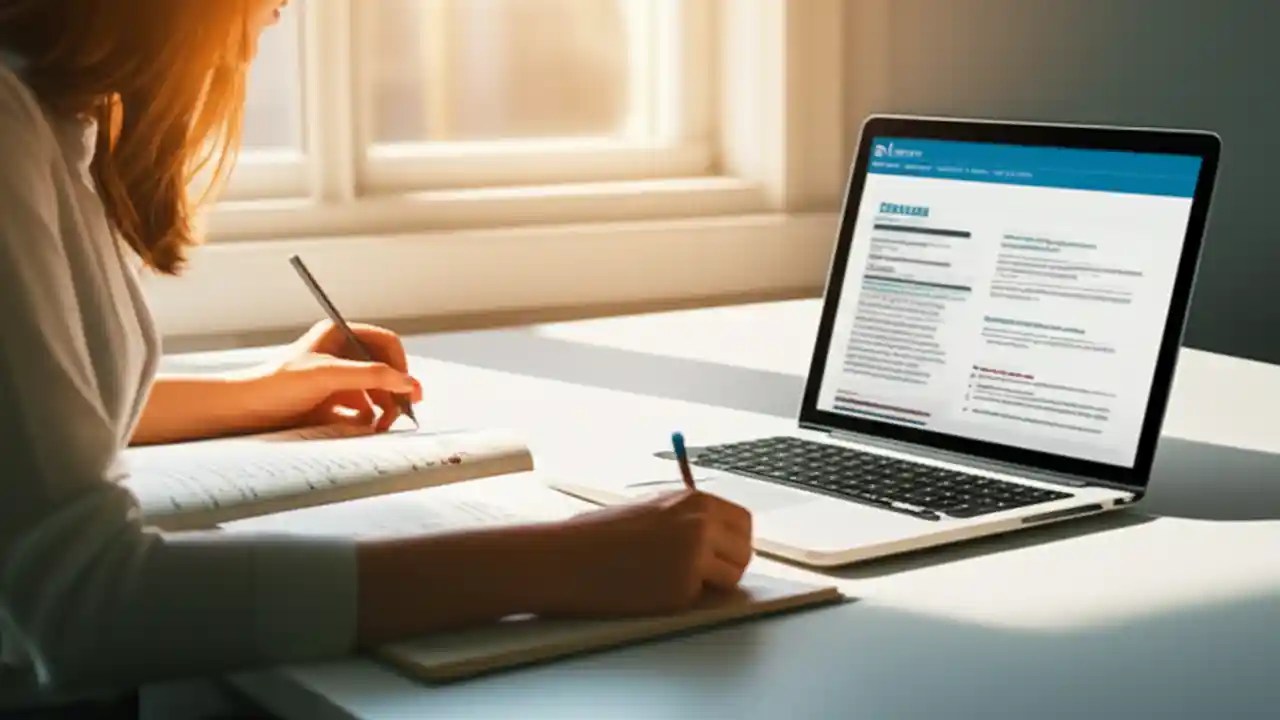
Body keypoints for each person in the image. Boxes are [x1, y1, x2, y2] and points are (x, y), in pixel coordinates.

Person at [0, 0, 753, 714]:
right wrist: (566, 562)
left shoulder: (53, 113)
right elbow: (83, 603)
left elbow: (34, 427)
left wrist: (261, 391)